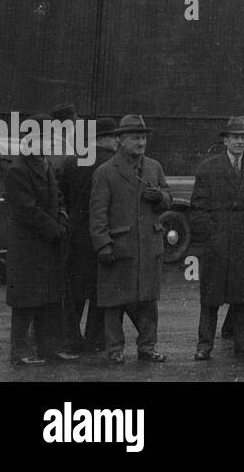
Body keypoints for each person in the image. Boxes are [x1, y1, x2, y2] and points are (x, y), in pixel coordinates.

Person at [89, 113, 171, 364]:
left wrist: (159, 198)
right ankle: (114, 349)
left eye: (143, 138)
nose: (141, 142)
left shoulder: (154, 167)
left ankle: (147, 347)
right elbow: (97, 213)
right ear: (120, 140)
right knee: (114, 302)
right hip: (119, 246)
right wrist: (103, 243)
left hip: (148, 246)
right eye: (135, 137)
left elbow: (167, 198)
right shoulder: (105, 172)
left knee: (148, 300)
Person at [189, 115, 244, 360]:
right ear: (225, 140)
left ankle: (243, 343)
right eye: (235, 137)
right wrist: (212, 236)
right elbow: (198, 208)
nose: (240, 142)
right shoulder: (208, 167)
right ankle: (204, 345)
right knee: (211, 298)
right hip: (218, 242)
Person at [5, 115, 76, 366]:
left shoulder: (43, 165)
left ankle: (50, 349)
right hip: (29, 247)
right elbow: (27, 210)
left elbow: (58, 198)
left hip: (46, 245)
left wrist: (63, 217)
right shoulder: (18, 169)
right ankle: (20, 352)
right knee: (25, 302)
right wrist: (55, 229)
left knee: (49, 299)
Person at [61, 116, 116, 353]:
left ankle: (70, 339)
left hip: (76, 236)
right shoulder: (112, 164)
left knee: (75, 292)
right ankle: (95, 339)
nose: (118, 141)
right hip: (102, 234)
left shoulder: (73, 162)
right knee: (99, 291)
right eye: (115, 136)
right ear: (104, 138)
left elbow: (64, 195)